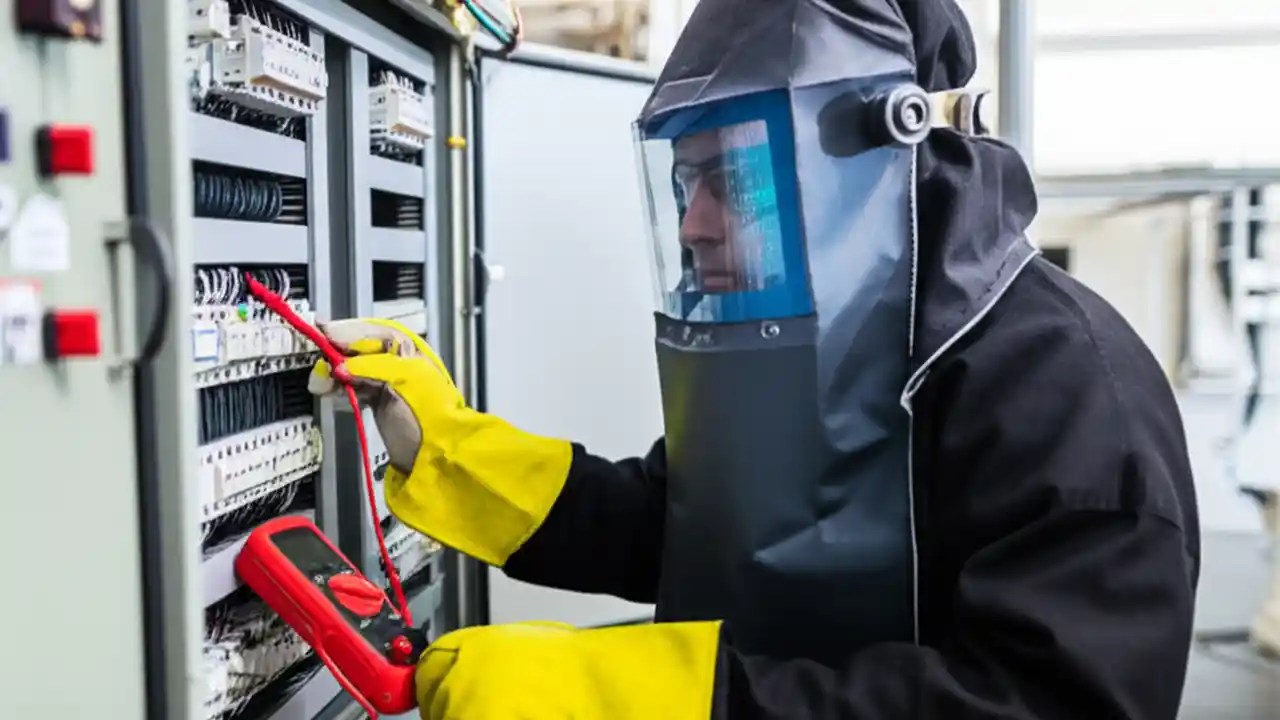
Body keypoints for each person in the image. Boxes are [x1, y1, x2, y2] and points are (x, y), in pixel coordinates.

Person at [308, 0, 1201, 716]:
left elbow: (1050, 700)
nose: (693, 226)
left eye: (735, 180)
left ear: (864, 164)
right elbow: (698, 527)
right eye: (685, 181)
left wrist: (624, 695)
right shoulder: (838, 338)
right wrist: (453, 450)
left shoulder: (1073, 398)